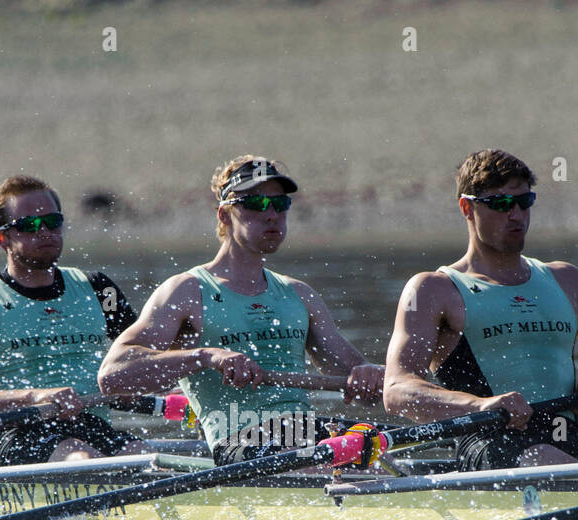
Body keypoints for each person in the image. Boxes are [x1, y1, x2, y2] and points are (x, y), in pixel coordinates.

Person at [96, 156, 383, 464]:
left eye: (280, 204)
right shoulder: (187, 291)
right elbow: (113, 377)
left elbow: (370, 387)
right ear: (224, 215)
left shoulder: (299, 294)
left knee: (376, 446)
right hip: (240, 442)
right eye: (256, 204)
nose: (271, 215)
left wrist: (369, 377)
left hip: (304, 435)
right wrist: (206, 356)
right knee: (319, 456)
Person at [383, 148, 578, 470]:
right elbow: (397, 390)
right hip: (488, 443)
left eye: (524, 202)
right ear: (467, 208)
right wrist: (480, 405)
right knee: (546, 460)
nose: (515, 215)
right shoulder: (434, 290)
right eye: (501, 204)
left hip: (565, 438)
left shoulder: (567, 281)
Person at [0, 175, 146, 464]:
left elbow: (145, 360)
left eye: (53, 222)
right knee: (80, 456)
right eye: (29, 226)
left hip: (95, 427)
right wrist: (34, 397)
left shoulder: (100, 290)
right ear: (2, 237)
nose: (44, 232)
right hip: (24, 435)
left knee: (147, 458)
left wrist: (142, 381)